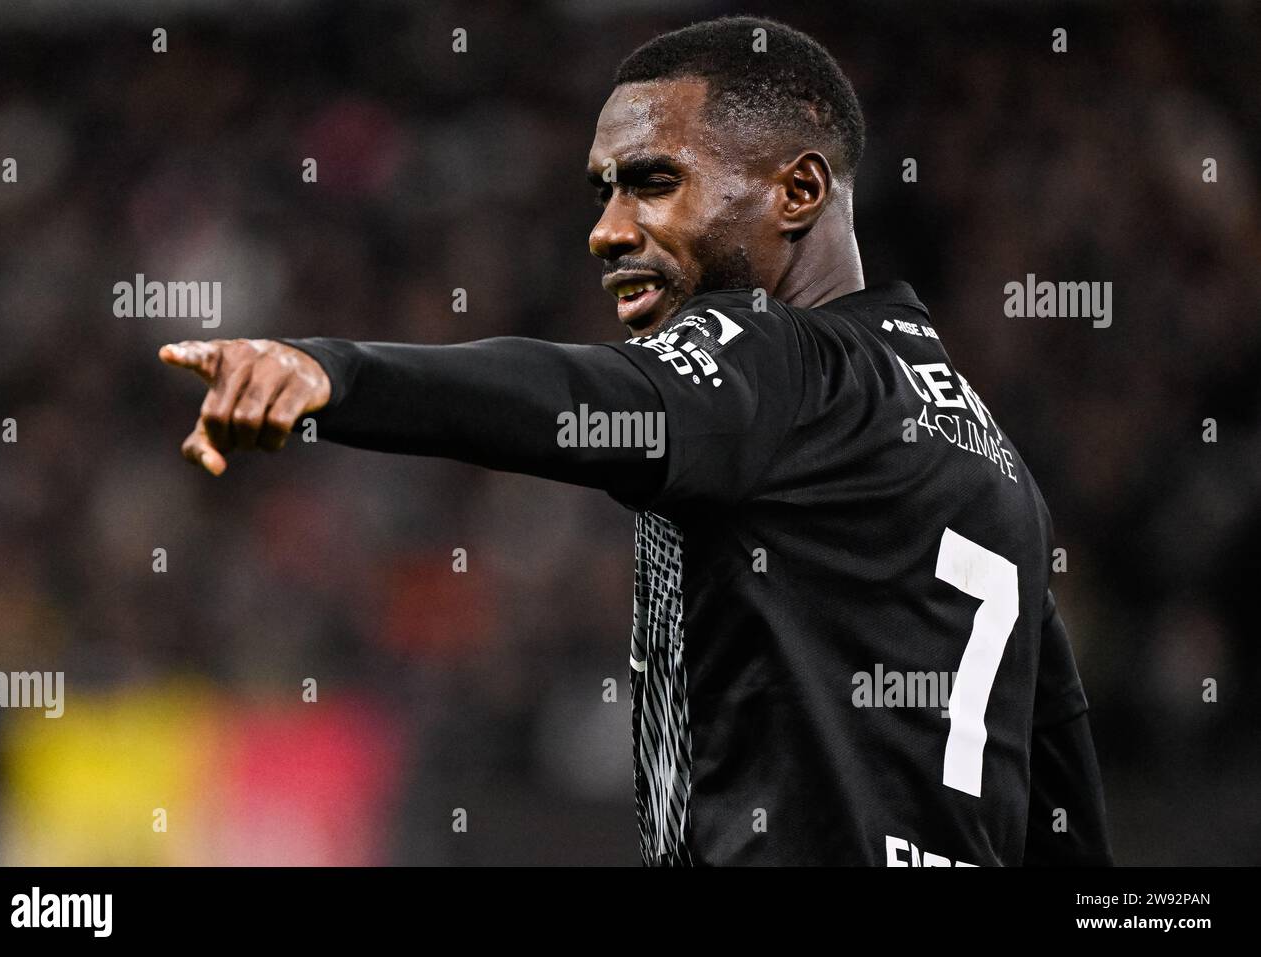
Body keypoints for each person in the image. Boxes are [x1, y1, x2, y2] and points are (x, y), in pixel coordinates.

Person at [160, 16, 1112, 866]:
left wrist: (340, 374)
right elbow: (1065, 817)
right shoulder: (992, 459)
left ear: (798, 190)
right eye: (603, 192)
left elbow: (589, 395)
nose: (607, 232)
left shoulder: (781, 360)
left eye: (654, 183)